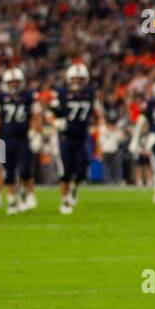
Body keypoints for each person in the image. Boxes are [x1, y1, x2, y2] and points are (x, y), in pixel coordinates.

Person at [48, 60, 102, 215]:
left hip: (82, 135)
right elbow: (50, 114)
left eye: (80, 79)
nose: (77, 82)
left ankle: (73, 188)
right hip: (65, 136)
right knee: (65, 170)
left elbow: (97, 113)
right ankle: (64, 201)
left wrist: (100, 127)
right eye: (75, 79)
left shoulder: (90, 94)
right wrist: (58, 123)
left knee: (83, 168)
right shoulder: (61, 93)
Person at [0, 67, 43, 214]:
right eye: (11, 82)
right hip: (3, 139)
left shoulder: (29, 97)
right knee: (8, 171)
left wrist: (36, 133)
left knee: (26, 169)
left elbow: (36, 116)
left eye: (16, 82)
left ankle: (27, 194)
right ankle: (12, 200)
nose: (14, 85)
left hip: (23, 137)